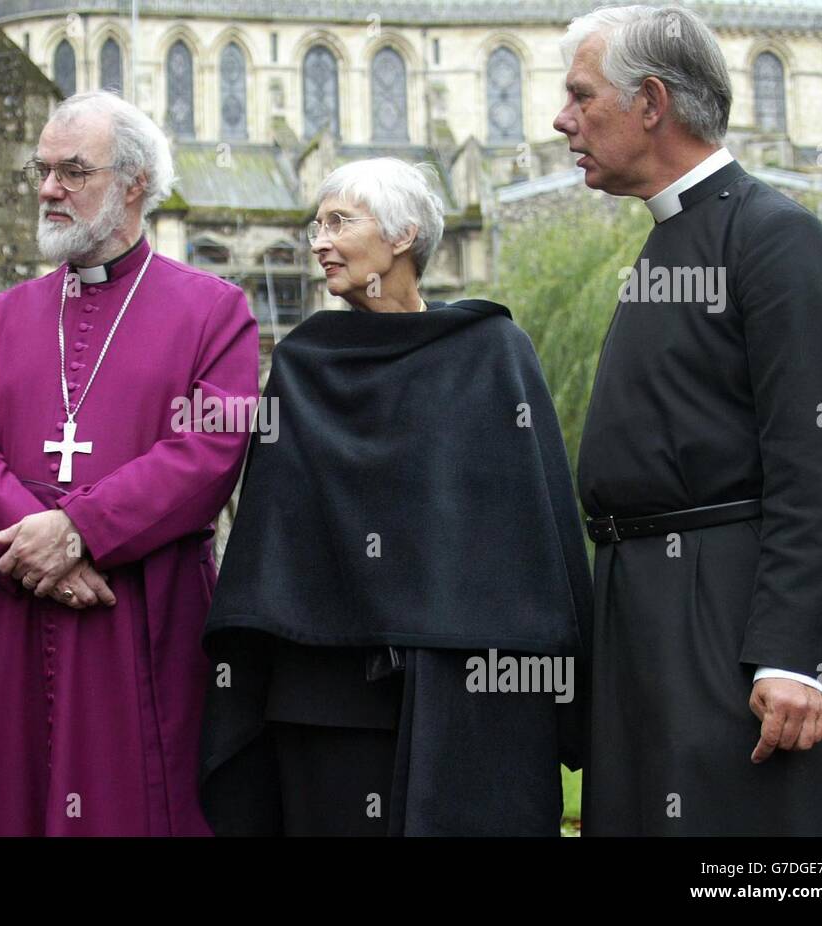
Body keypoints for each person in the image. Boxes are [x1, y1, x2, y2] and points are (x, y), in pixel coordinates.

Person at [198, 158, 592, 836]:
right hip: (326, 701)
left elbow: (539, 525)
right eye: (315, 225)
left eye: (339, 222)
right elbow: (273, 537)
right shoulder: (302, 364)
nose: (318, 241)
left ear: (404, 233)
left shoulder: (493, 352)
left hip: (469, 697)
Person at [555, 5, 822, 835]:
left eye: (582, 97)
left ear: (651, 103)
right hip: (646, 613)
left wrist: (791, 654)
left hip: (728, 617)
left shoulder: (775, 239)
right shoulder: (667, 244)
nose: (563, 120)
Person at [0, 90, 259, 836]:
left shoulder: (214, 311)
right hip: (14, 608)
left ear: (134, 182)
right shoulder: (3, 315)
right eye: (42, 170)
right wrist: (39, 537)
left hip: (141, 611)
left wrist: (82, 528)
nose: (49, 188)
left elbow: (210, 450)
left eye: (73, 171)